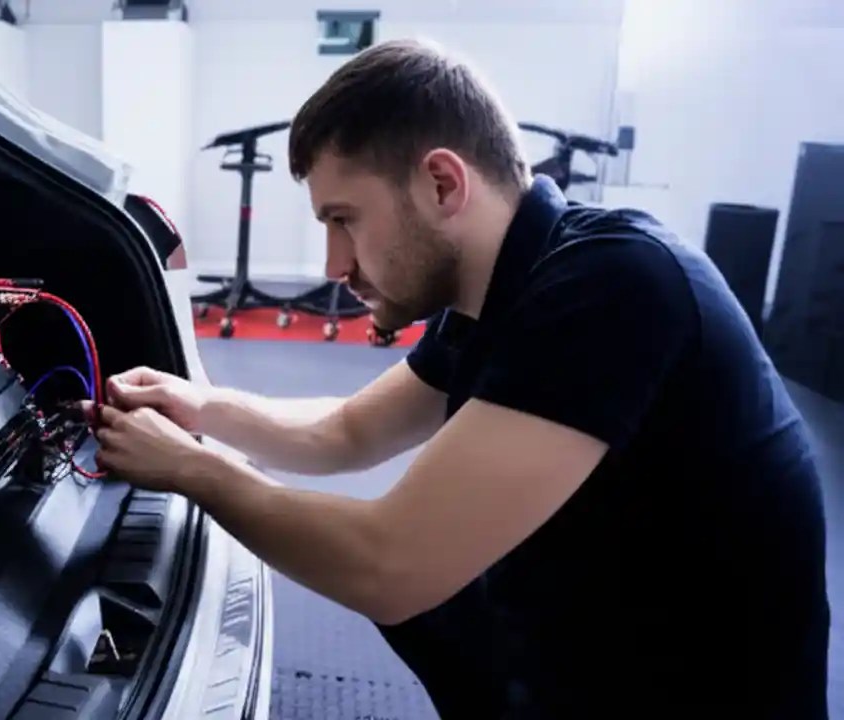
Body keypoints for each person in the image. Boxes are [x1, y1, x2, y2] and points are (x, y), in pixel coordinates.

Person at [87, 39, 830, 719]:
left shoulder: (615, 283)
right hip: (604, 642)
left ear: (443, 183)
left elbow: (388, 565)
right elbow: (346, 432)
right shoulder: (503, 286)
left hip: (689, 696)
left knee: (406, 579)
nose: (331, 267)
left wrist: (191, 468)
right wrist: (200, 406)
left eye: (344, 219)